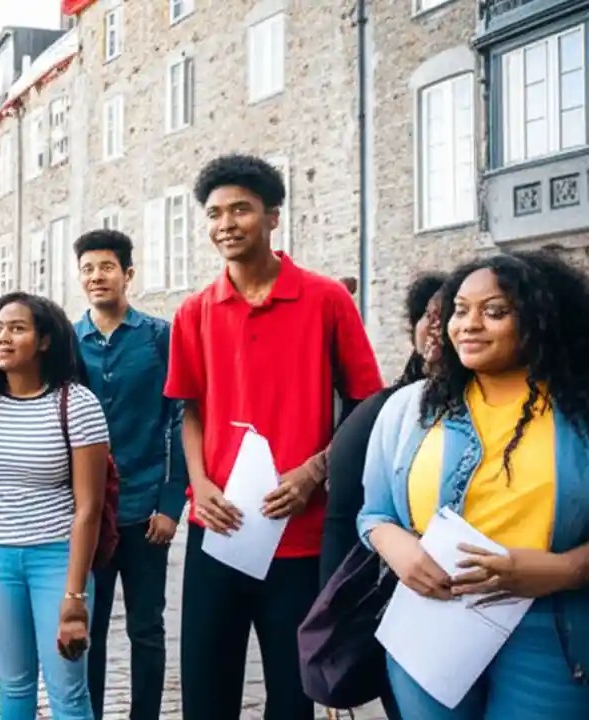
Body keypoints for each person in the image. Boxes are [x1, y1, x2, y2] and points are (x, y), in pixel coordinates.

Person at [164, 154, 384, 720]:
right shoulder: (194, 312)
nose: (226, 224)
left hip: (302, 534)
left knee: (293, 696)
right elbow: (188, 409)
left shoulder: (326, 299)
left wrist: (316, 471)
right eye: (214, 213)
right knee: (206, 696)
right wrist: (198, 484)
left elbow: (367, 405)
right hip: (219, 529)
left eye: (241, 209)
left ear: (273, 217)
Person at [358, 251, 589, 719]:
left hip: (549, 627)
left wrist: (566, 569)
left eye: (495, 311)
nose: (469, 325)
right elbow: (374, 514)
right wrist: (400, 550)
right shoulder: (411, 409)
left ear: (542, 320)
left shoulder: (578, 412)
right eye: (460, 310)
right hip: (430, 623)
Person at [0, 292, 108, 720]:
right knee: (13, 687)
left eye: (17, 329)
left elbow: (88, 507)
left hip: (57, 558)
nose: (2, 338)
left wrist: (74, 596)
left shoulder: (77, 404)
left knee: (68, 692)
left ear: (45, 340)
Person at [319, 271, 445, 720]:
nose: (439, 326)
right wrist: (333, 635)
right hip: (403, 606)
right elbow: (345, 518)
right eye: (429, 315)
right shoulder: (385, 411)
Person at [70, 229, 186, 720]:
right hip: (88, 515)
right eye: (88, 269)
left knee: (146, 627)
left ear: (128, 274)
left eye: (107, 267)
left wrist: (171, 503)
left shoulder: (159, 337)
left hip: (143, 511)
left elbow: (180, 419)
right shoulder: (67, 343)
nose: (97, 276)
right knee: (88, 627)